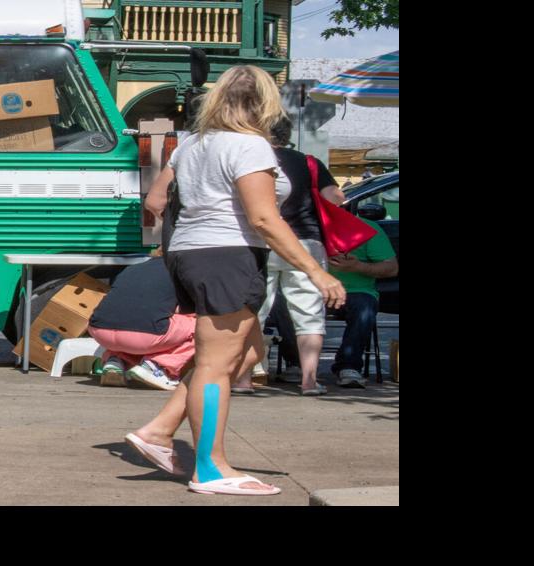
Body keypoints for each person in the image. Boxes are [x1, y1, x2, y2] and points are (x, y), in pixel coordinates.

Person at [120, 66, 346, 497]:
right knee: (217, 365)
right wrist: (316, 271)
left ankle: (160, 430)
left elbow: (157, 200)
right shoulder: (251, 146)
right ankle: (210, 467)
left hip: (191, 252)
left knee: (245, 354)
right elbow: (263, 217)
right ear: (266, 104)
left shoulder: (191, 144)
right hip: (227, 255)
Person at [233, 116, 342, 396]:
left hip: (263, 241)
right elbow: (335, 198)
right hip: (306, 242)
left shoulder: (251, 158)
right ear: (287, 134)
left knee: (254, 311)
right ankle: (308, 380)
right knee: (308, 313)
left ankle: (244, 378)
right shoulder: (308, 162)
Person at [86, 257, 191, 391]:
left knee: (132, 319)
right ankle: (158, 367)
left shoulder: (133, 268)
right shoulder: (183, 271)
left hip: (99, 330)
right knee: (201, 326)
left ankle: (116, 361)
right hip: (145, 335)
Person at [327, 216, 399, 387]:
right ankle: (295, 363)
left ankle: (348, 366)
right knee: (281, 304)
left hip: (355, 292)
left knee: (364, 306)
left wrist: (357, 267)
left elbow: (392, 268)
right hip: (313, 290)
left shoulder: (366, 228)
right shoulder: (307, 226)